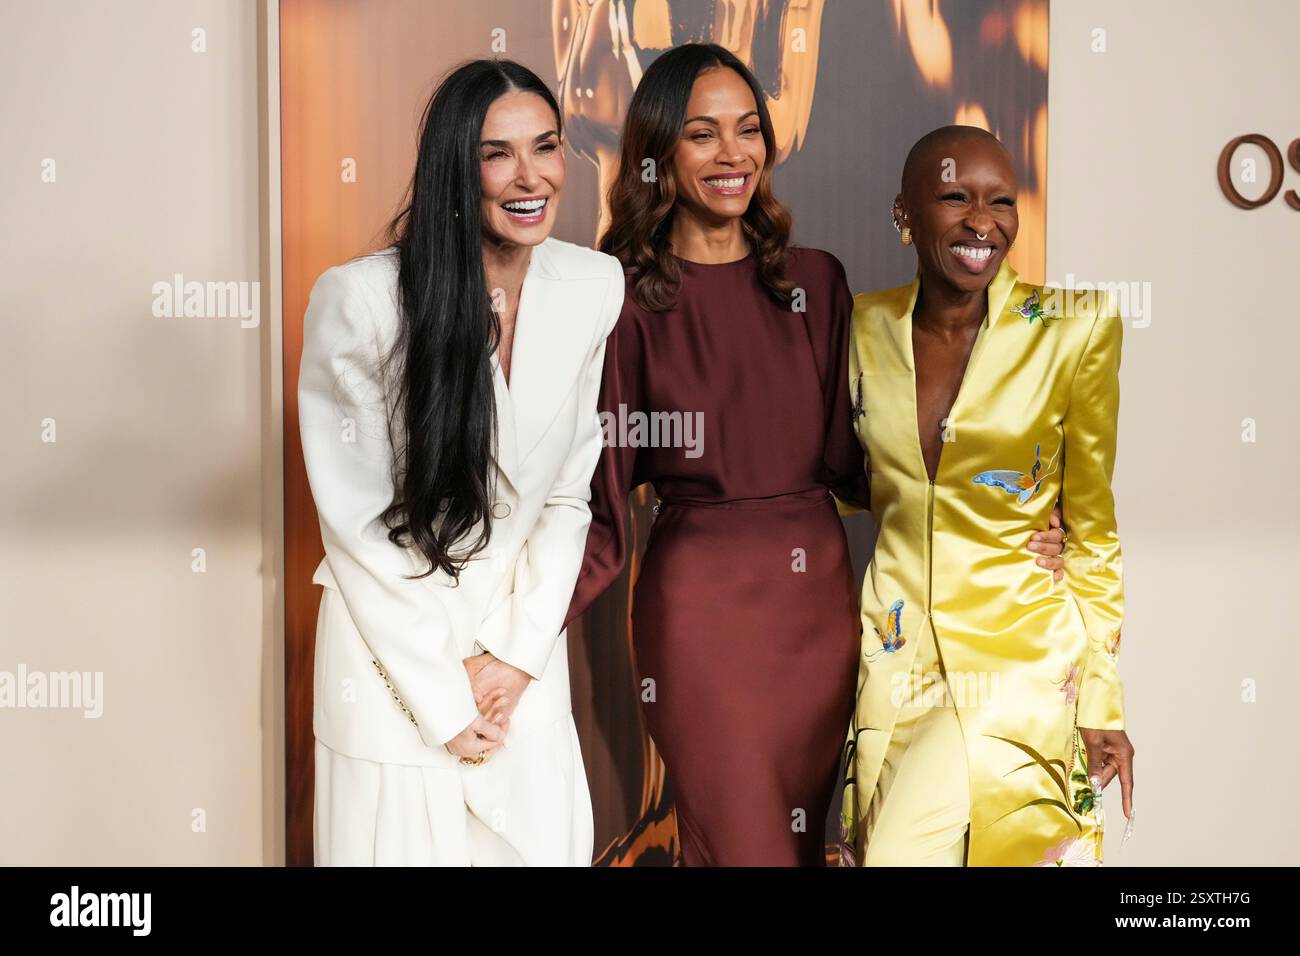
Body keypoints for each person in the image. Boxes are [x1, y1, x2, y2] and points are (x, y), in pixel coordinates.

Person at [563, 46, 1066, 866]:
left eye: (748, 129)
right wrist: (502, 644)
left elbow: (867, 467)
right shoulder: (617, 297)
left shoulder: (815, 284)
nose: (735, 154)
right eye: (702, 134)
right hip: (701, 622)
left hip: (818, 624)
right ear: (659, 151)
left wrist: (1020, 517)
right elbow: (599, 505)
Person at [299, 59, 624, 865]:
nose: (530, 177)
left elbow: (567, 500)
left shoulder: (593, 285)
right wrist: (445, 696)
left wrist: (513, 657)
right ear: (455, 166)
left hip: (521, 674)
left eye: (545, 147)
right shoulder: (363, 301)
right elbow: (361, 527)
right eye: (497, 153)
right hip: (391, 675)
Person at [840, 125, 1135, 867]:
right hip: (895, 650)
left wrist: (1103, 701)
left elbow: (1094, 530)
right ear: (905, 212)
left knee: (897, 857)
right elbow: (847, 482)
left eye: (1001, 201)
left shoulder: (1074, 327)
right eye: (955, 197)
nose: (983, 222)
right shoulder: (864, 325)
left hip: (1018, 657)